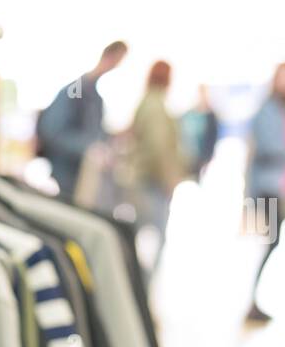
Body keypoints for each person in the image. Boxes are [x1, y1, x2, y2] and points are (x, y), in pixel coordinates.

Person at [244, 62, 285, 323]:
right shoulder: (267, 110)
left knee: (277, 243)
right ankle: (253, 300)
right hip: (267, 190)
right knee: (268, 242)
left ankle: (260, 299)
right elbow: (274, 146)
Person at [37, 40, 128, 200]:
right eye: (116, 60)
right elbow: (53, 131)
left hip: (83, 179)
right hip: (64, 176)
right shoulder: (76, 90)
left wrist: (110, 140)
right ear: (107, 56)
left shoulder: (96, 99)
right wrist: (88, 148)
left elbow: (95, 133)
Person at [130, 60, 184, 271]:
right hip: (151, 182)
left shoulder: (147, 101)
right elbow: (158, 147)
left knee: (143, 233)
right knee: (155, 236)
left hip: (145, 179)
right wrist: (169, 180)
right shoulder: (156, 105)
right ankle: (143, 283)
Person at [180, 84, 220, 177]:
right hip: (188, 157)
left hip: (203, 157)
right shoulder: (189, 115)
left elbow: (212, 138)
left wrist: (208, 158)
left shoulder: (210, 116)